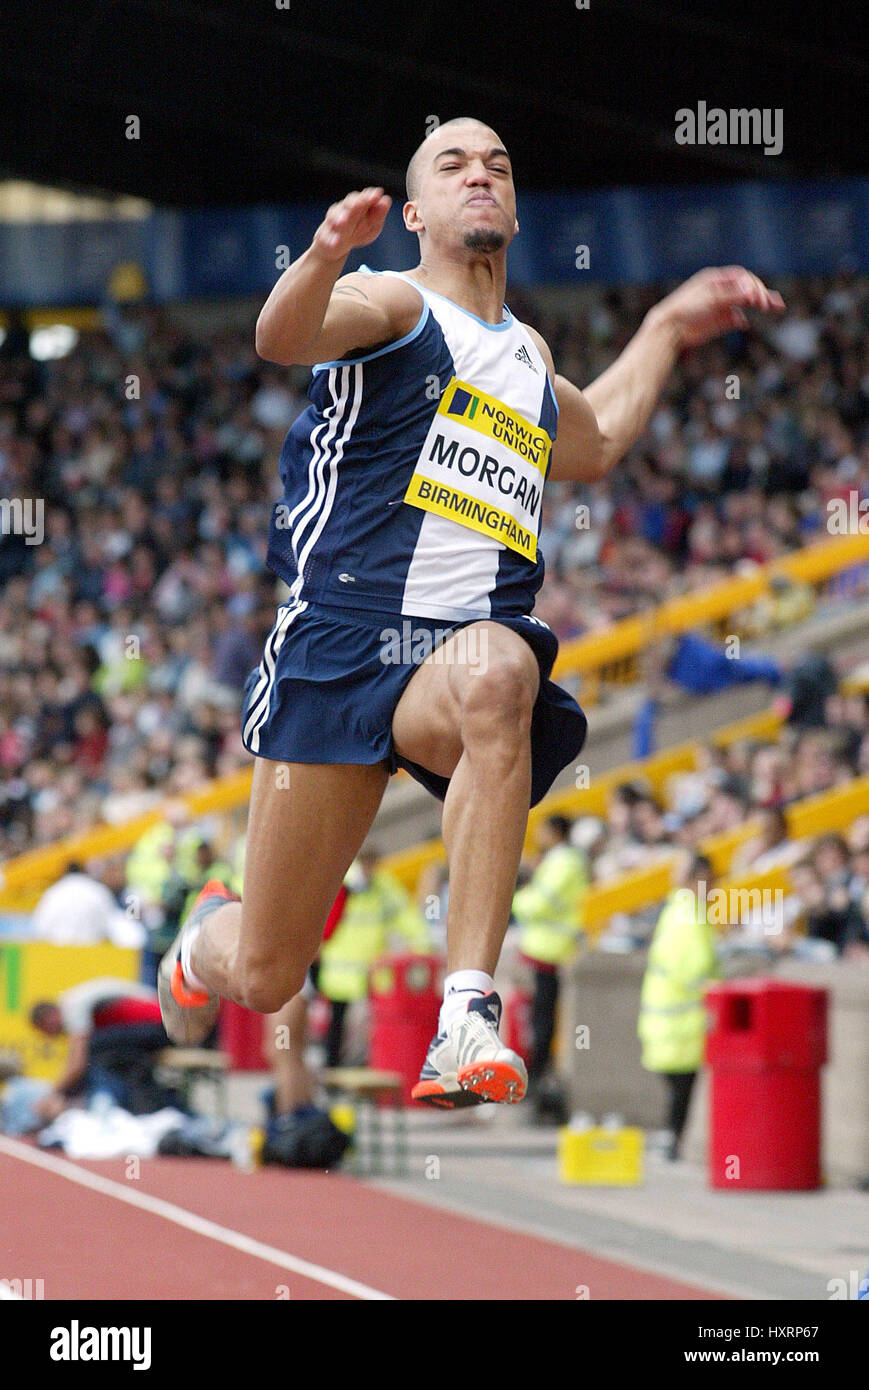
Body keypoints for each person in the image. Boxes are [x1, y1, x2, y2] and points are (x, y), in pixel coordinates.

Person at [157, 116, 784, 1110]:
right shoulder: (393, 302)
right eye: (451, 164)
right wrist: (324, 254)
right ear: (414, 211)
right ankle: (201, 942)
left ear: (515, 206)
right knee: (271, 971)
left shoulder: (525, 354)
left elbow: (600, 438)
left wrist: (665, 323)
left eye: (496, 163)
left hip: (446, 658)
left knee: (501, 673)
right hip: (339, 638)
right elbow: (281, 336)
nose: (479, 173)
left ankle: (465, 1016)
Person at [315, 845, 430, 1067]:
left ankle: (366, 1069)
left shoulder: (383, 888)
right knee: (336, 1027)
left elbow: (407, 917)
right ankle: (332, 1072)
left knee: (372, 1027)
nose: (370, 867)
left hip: (371, 971)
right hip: (340, 971)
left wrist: (424, 947)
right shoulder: (341, 883)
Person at [638, 853, 718, 1161]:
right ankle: (671, 1140)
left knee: (677, 1087)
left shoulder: (674, 909)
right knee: (683, 1087)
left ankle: (668, 1139)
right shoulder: (690, 914)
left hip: (664, 1017)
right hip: (683, 1021)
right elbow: (696, 966)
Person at [511, 815, 588, 1096]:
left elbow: (542, 902)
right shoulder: (559, 860)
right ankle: (537, 1071)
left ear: (555, 832)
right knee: (539, 1016)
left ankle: (538, 1073)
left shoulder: (564, 862)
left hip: (549, 949)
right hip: (543, 947)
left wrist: (516, 899)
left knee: (543, 1018)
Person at [29, 977, 177, 1118]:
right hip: (161, 1025)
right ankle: (120, 1105)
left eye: (45, 1030)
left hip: (162, 1024)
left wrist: (51, 1094)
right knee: (105, 1053)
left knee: (93, 1049)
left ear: (49, 1016)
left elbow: (77, 1064)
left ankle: (107, 1104)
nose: (51, 1036)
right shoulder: (76, 1004)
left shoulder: (73, 1007)